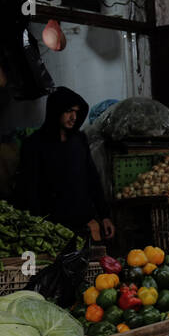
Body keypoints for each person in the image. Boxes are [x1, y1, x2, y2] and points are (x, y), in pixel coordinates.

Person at [14, 87, 115, 243]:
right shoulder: (34, 144)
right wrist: (37, 226)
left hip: (83, 222)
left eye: (76, 112)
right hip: (52, 227)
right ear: (56, 111)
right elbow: (29, 189)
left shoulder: (79, 140)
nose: (74, 117)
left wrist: (104, 215)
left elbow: (92, 178)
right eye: (68, 111)